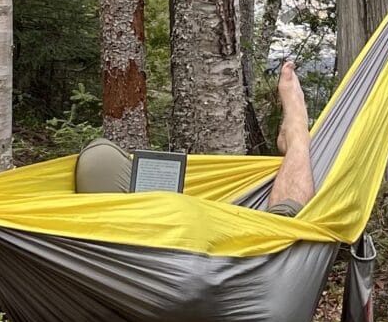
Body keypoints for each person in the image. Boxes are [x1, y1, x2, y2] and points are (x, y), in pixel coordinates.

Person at [74, 60, 315, 215]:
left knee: (98, 156)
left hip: (120, 234)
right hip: (213, 255)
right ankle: (297, 132)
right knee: (286, 221)